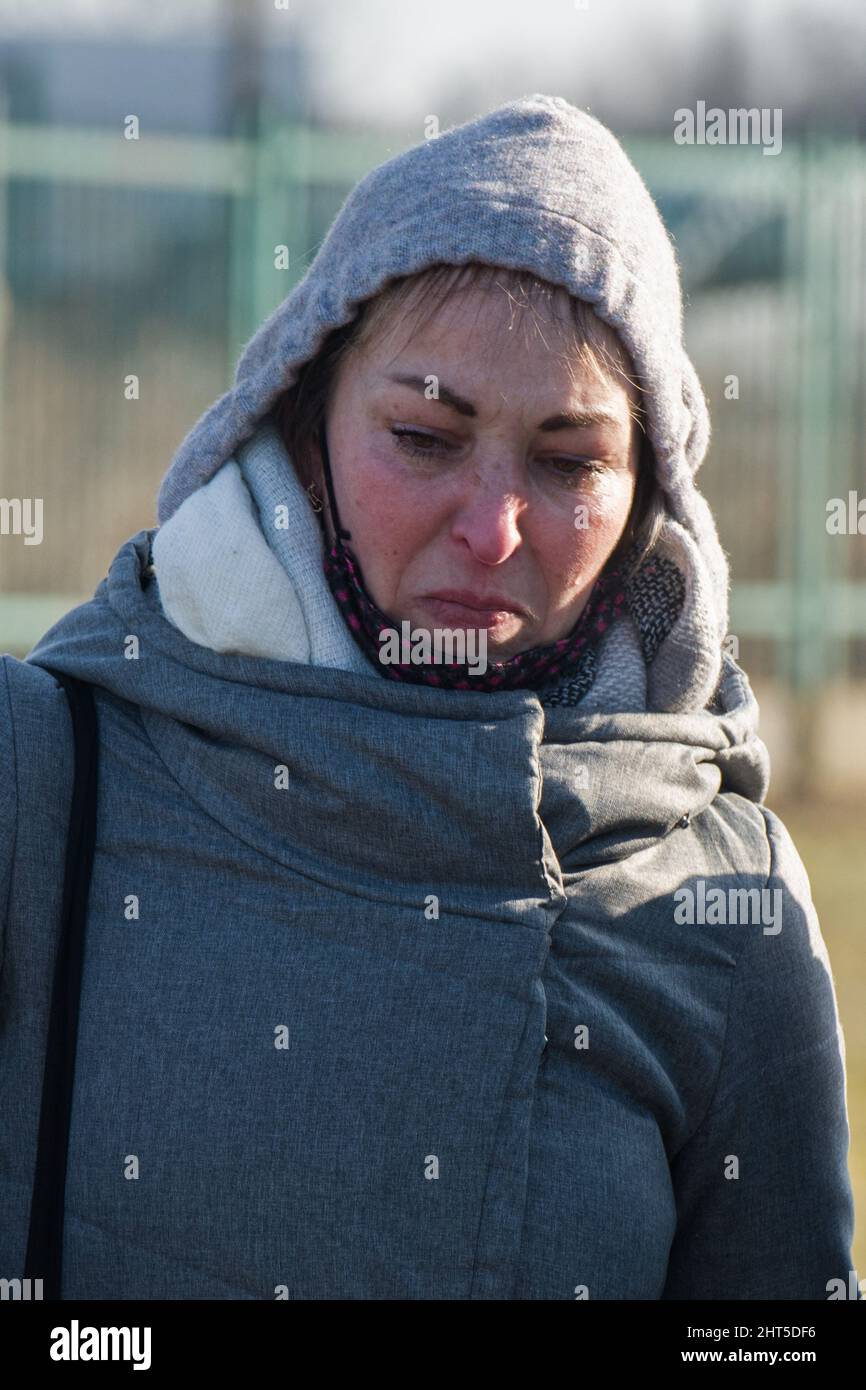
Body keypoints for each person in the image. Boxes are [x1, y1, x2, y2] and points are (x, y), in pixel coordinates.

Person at [0, 93, 857, 1300]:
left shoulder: (724, 897)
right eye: (423, 435)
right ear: (303, 424)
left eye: (567, 464)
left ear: (645, 502)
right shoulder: (47, 772)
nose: (491, 527)